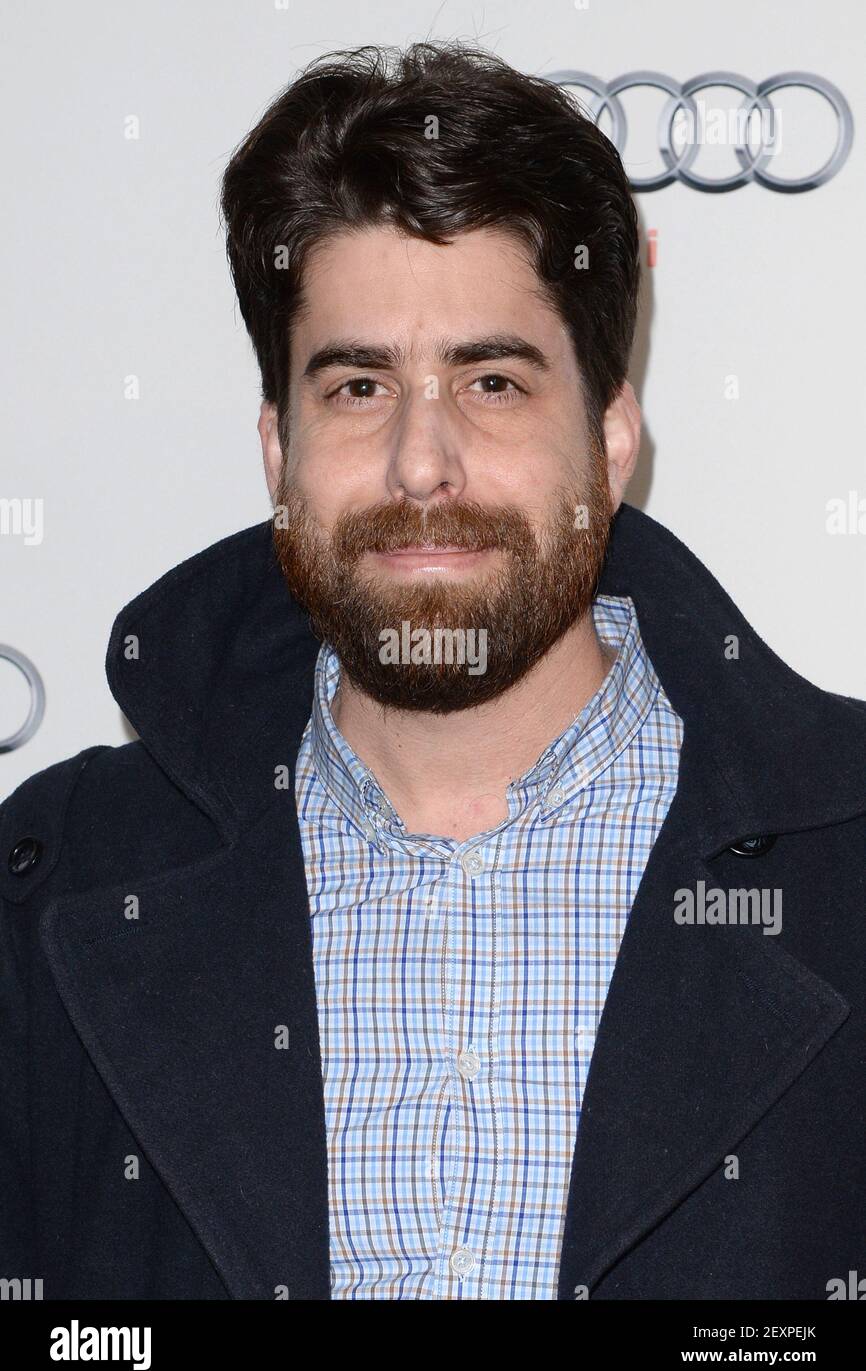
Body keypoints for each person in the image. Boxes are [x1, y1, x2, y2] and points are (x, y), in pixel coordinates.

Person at [2, 41, 864, 1302]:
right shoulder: (59, 886)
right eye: (357, 385)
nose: (421, 463)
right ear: (276, 446)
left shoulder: (845, 866)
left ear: (611, 439)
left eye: (492, 381)